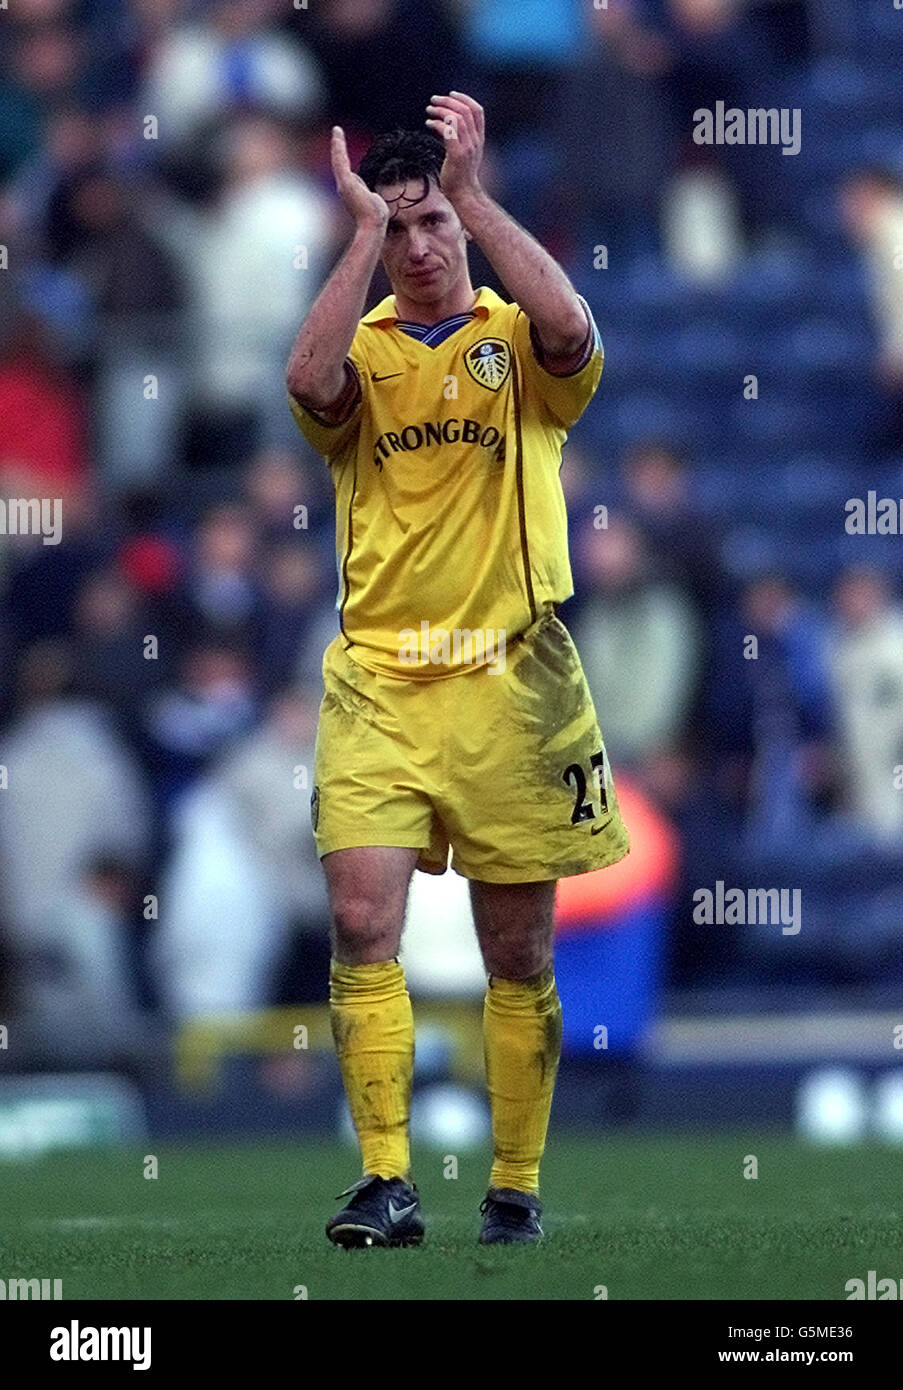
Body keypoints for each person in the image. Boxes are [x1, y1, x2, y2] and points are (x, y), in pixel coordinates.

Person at [285, 93, 630, 1248]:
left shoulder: (517, 341)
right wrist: (351, 235)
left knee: (518, 948)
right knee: (357, 917)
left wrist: (478, 194)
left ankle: (516, 1186)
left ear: (462, 227)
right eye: (396, 230)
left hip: (510, 679)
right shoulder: (363, 352)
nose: (419, 245)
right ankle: (385, 1178)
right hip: (380, 678)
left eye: (432, 221)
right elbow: (304, 381)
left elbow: (576, 326)